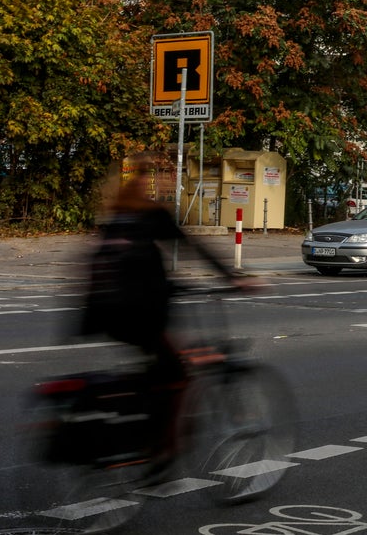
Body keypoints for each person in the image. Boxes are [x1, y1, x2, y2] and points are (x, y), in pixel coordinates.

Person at [79, 156, 258, 470]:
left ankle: (146, 426)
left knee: (154, 371)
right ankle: (164, 449)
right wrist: (233, 278)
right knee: (178, 374)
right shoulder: (154, 214)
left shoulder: (118, 215)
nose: (165, 183)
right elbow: (195, 247)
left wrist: (170, 284)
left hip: (106, 316)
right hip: (142, 315)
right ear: (151, 181)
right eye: (162, 177)